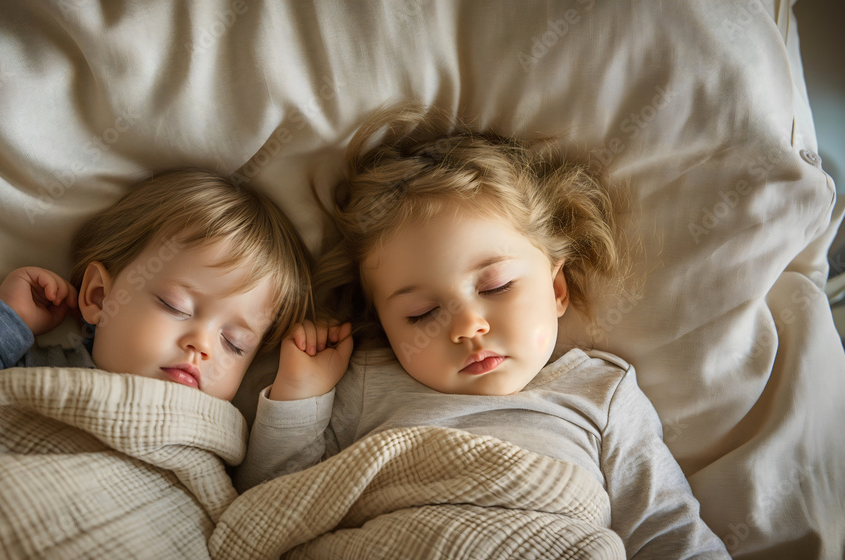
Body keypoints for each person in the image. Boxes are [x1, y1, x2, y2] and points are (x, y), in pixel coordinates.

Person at [237, 106, 729, 558]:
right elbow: (278, 503)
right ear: (384, 326)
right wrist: (299, 397)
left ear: (557, 287)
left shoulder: (602, 393)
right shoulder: (367, 379)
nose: (468, 326)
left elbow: (664, 527)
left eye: (495, 286)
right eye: (421, 312)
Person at [0, 167, 312, 402]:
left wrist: (295, 394)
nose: (202, 345)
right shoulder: (32, 375)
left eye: (235, 343)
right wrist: (4, 325)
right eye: (175, 305)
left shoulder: (224, 429)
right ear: (99, 297)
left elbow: (270, 504)